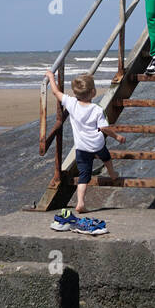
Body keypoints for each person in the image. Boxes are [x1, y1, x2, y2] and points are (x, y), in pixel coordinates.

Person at [44, 70, 126, 234]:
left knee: (84, 175)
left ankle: (80, 202)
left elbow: (56, 92)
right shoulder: (97, 109)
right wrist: (117, 136)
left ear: (75, 93)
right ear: (93, 92)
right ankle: (112, 174)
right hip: (96, 144)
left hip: (81, 147)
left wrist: (51, 78)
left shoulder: (72, 104)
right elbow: (104, 128)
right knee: (106, 157)